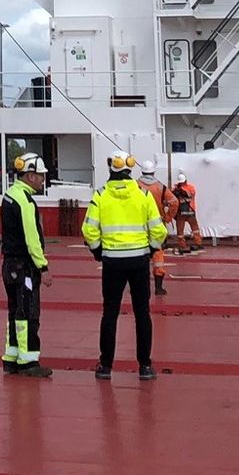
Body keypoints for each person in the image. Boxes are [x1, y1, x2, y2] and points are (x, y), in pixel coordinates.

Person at [83, 153, 168, 380]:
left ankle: (106, 366)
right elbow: (159, 230)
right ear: (130, 169)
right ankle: (145, 367)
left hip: (112, 262)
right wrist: (151, 248)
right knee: (143, 313)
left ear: (110, 168)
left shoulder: (100, 196)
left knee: (110, 313)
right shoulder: (144, 195)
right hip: (139, 261)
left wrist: (98, 251)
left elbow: (89, 230)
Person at [0, 153, 52, 377]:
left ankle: (11, 358)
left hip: (10, 264)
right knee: (28, 312)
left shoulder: (9, 195)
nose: (42, 181)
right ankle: (29, 361)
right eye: (40, 176)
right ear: (30, 175)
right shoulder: (25, 201)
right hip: (24, 267)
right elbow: (32, 238)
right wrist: (43, 266)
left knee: (14, 311)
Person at [137, 161, 174, 294]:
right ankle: (158, 288)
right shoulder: (161, 187)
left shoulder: (135, 186)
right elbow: (174, 202)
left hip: (139, 227)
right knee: (158, 256)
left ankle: (140, 287)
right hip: (157, 227)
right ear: (153, 171)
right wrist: (168, 217)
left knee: (140, 256)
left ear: (142, 171)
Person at [171, 175, 202, 251]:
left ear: (186, 181)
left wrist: (181, 191)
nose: (182, 183)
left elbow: (190, 194)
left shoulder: (190, 188)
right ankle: (182, 245)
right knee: (180, 231)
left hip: (189, 211)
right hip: (181, 212)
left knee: (195, 228)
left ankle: (198, 243)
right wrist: (174, 191)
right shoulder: (175, 188)